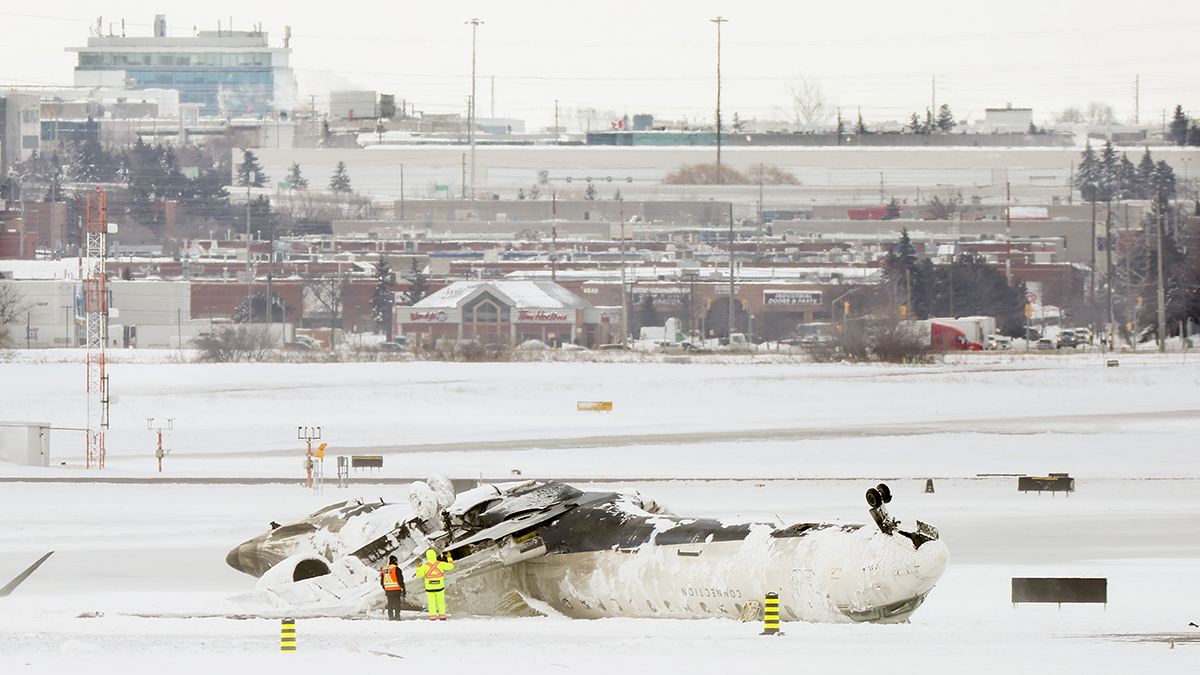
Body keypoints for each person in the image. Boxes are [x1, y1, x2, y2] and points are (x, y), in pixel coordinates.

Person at [415, 548, 454, 620]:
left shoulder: (425, 566)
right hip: (440, 587)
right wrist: (449, 558)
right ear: (435, 555)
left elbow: (418, 575)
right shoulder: (440, 564)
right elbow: (451, 566)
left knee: (431, 603)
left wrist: (419, 568)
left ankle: (433, 617)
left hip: (429, 588)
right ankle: (442, 617)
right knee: (441, 602)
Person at [380, 555, 405, 620]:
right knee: (397, 603)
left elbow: (382, 580)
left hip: (388, 590)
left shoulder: (384, 569)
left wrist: (385, 587)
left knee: (390, 603)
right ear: (395, 561)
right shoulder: (396, 569)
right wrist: (403, 588)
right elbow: (400, 580)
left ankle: (390, 616)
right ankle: (397, 616)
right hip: (396, 589)